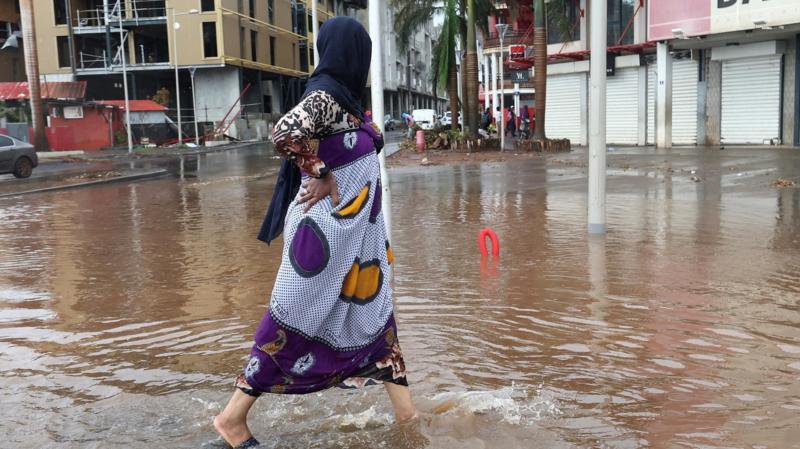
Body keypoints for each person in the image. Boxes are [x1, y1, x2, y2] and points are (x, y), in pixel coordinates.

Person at [214, 17, 417, 449]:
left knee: (377, 324)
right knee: (292, 319)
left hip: (358, 241)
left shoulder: (346, 102)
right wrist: (321, 171)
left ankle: (409, 420)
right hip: (321, 240)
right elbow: (285, 132)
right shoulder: (324, 95)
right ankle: (232, 418)